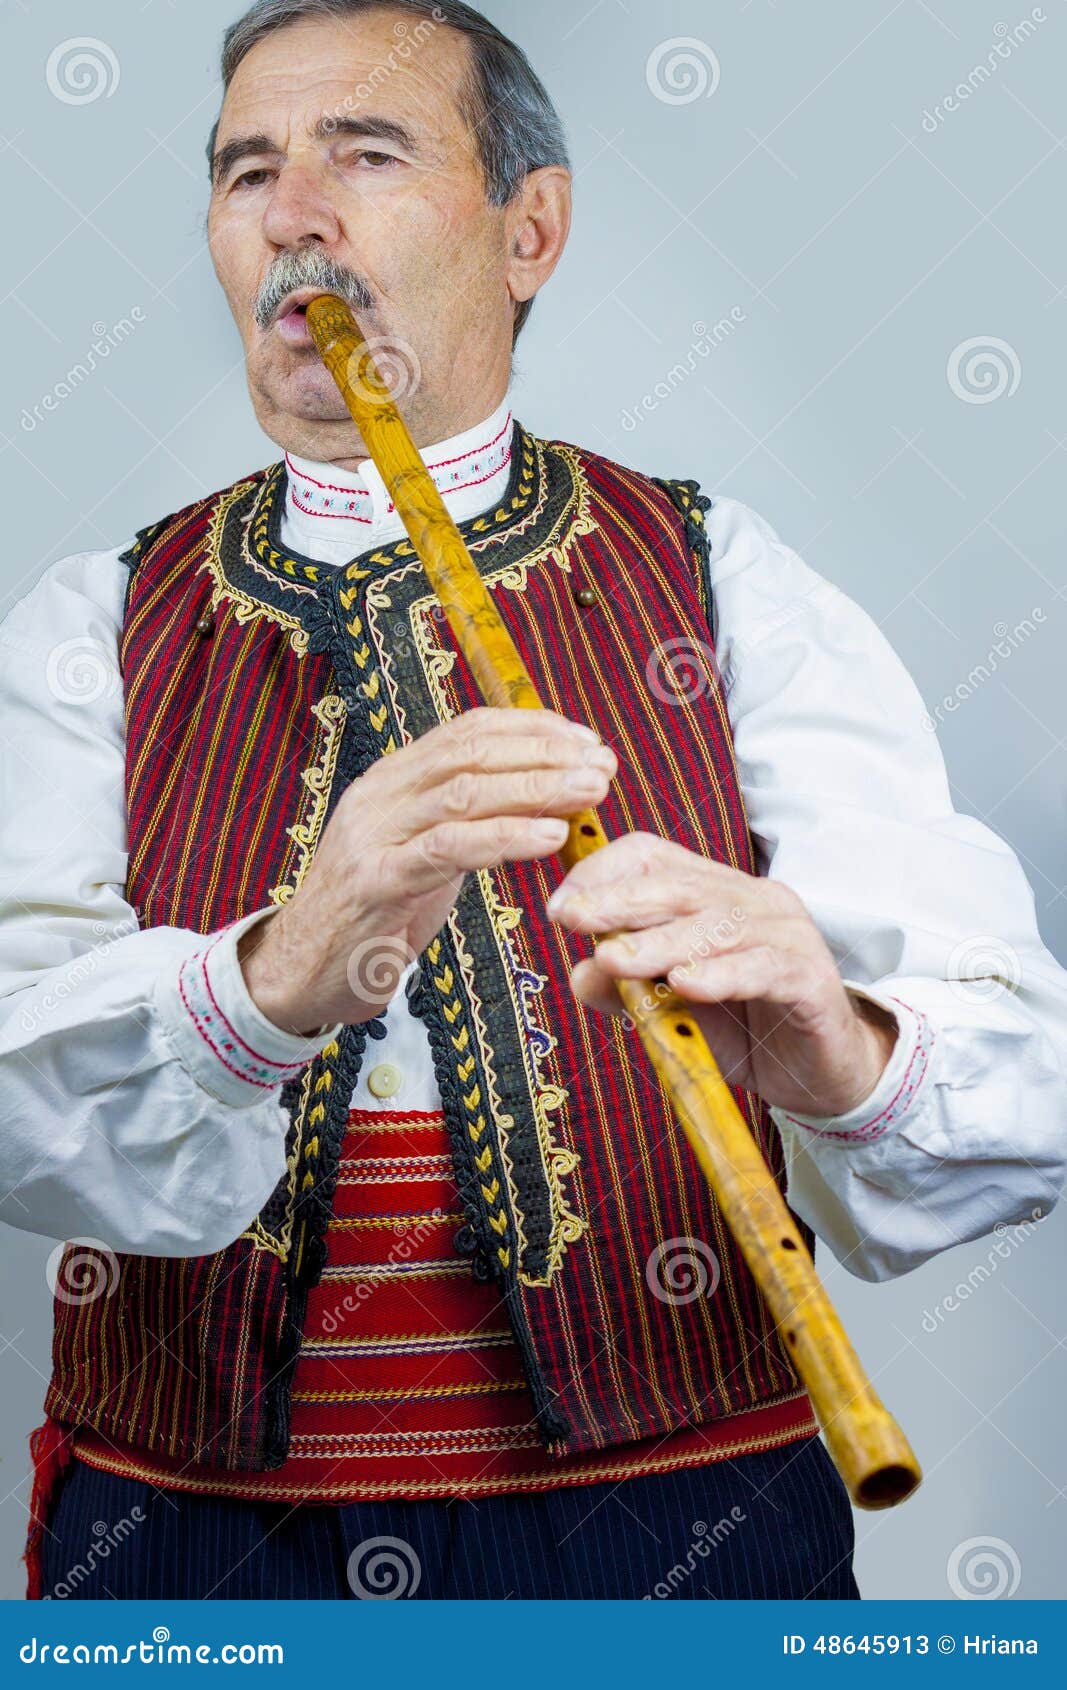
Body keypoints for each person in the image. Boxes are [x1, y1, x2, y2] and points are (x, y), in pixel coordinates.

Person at [3, 0, 1065, 1601]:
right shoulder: (95, 618)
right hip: (196, 1543)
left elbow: (1019, 1071)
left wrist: (840, 1042)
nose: (294, 218)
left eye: (366, 154)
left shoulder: (721, 575)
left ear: (531, 230)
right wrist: (270, 974)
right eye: (247, 172)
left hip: (679, 1526)